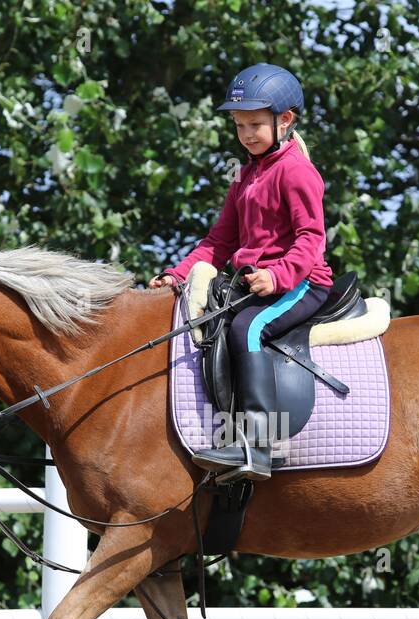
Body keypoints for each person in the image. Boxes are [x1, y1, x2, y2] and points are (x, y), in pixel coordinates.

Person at [149, 63, 333, 482]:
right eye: (239, 125)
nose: (247, 134)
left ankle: (258, 444)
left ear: (284, 120)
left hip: (302, 282)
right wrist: (177, 275)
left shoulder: (296, 171)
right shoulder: (245, 176)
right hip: (255, 281)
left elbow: (311, 238)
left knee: (246, 329)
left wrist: (279, 275)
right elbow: (219, 242)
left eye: (255, 124)